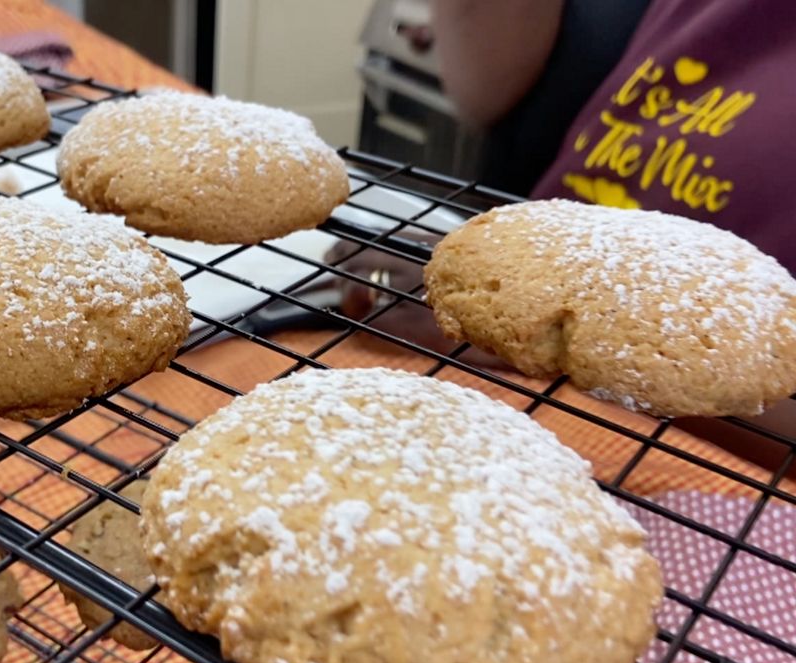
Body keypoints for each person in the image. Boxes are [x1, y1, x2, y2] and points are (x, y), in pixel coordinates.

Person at [334, 0, 795, 467]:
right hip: (502, 340)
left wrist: (530, 333)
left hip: (705, 458)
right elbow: (484, 91)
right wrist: (493, 276)